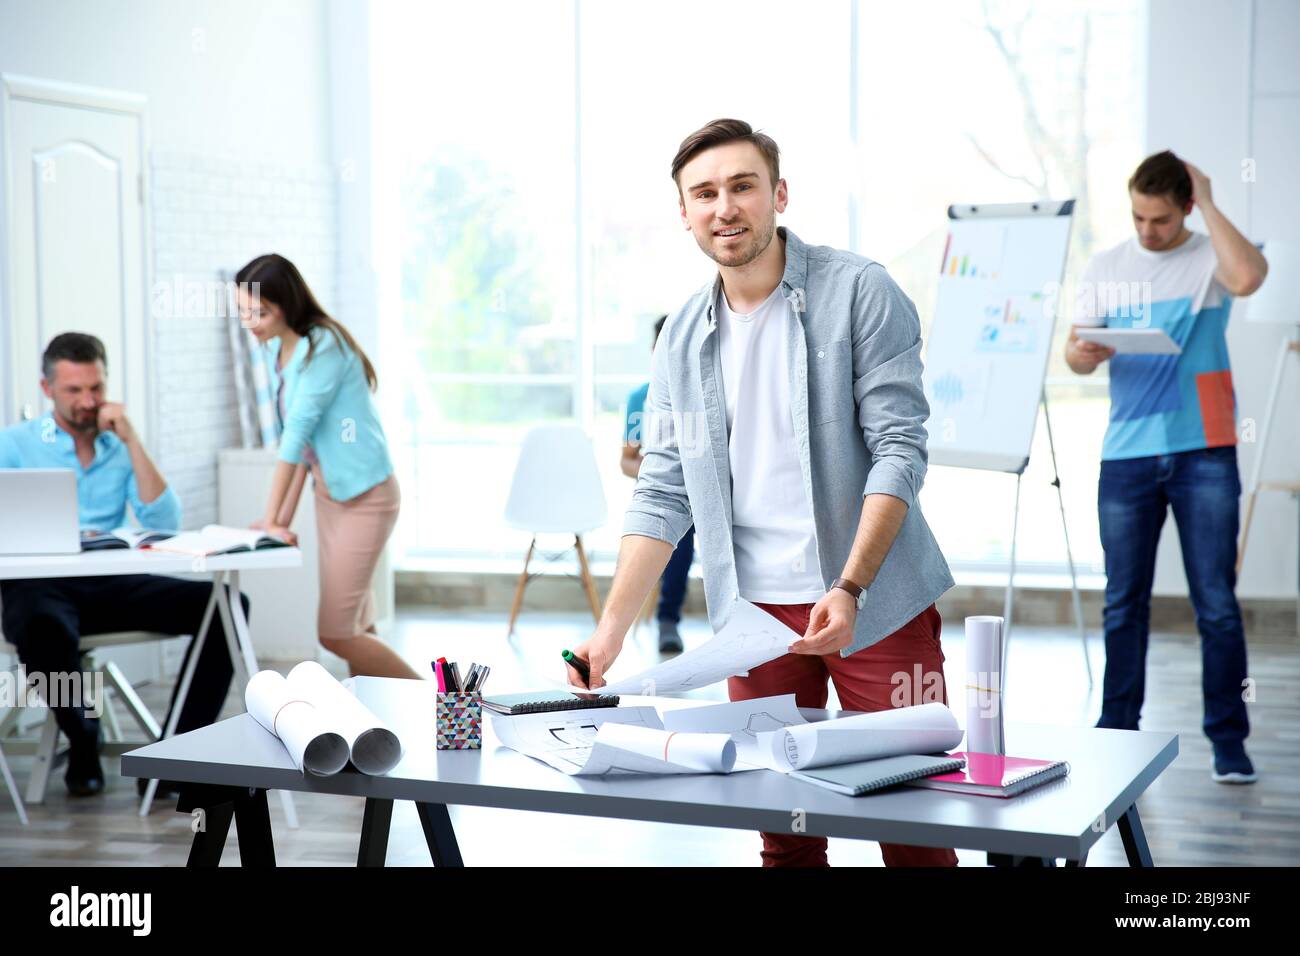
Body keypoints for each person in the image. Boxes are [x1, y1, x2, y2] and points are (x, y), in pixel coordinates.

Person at [566, 119, 957, 866]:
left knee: (915, 824)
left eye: (742, 186)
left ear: (778, 194)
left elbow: (899, 449)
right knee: (784, 826)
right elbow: (662, 490)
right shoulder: (679, 337)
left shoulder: (860, 292)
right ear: (684, 212)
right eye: (704, 193)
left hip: (873, 601)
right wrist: (610, 632)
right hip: (751, 619)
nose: (725, 207)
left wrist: (849, 585)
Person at [1065, 150, 1268, 784]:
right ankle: (1118, 733)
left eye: (1159, 219)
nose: (1147, 231)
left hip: (1204, 447)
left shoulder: (1211, 255)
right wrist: (1083, 350)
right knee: (1123, 602)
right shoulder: (1107, 266)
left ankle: (1228, 742)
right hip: (1126, 454)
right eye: (1137, 217)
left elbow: (1249, 278)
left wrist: (1208, 198)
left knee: (1216, 603)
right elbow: (1075, 356)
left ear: (1182, 207)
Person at [0, 333, 237, 797]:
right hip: (41, 589)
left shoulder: (119, 447)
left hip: (110, 583)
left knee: (226, 606)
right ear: (47, 390)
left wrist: (132, 439)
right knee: (41, 624)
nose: (88, 402)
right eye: (74, 390)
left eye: (96, 388)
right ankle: (83, 736)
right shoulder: (14, 445)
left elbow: (165, 521)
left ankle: (176, 755)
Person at [234, 254, 418, 680]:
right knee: (358, 627)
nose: (250, 322)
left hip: (367, 498)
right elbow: (306, 451)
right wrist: (274, 521)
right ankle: (386, 723)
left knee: (335, 633)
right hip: (331, 497)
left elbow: (295, 437)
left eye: (260, 312)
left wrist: (270, 519)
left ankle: (442, 706)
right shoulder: (283, 350)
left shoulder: (324, 346)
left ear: (288, 303)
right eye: (243, 311)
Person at [622, 315, 692, 653]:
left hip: (719, 496)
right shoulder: (640, 400)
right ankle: (668, 620)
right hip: (672, 495)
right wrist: (662, 472)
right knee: (680, 536)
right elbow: (626, 459)